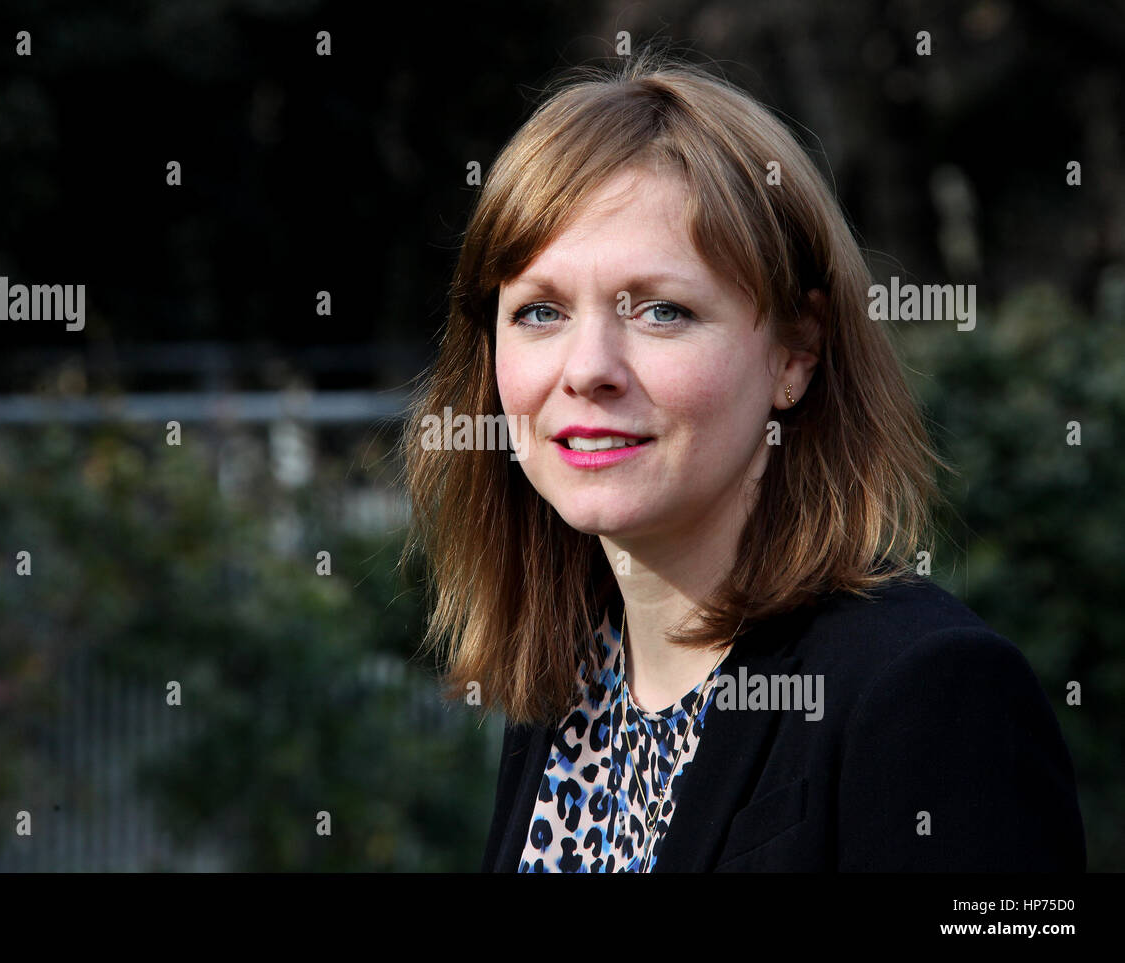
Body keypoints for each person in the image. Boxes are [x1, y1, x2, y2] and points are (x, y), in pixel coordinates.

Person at [401, 49, 1085, 872]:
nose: (587, 368)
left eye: (662, 310)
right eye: (540, 311)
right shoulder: (572, 692)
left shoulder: (929, 696)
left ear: (795, 352)